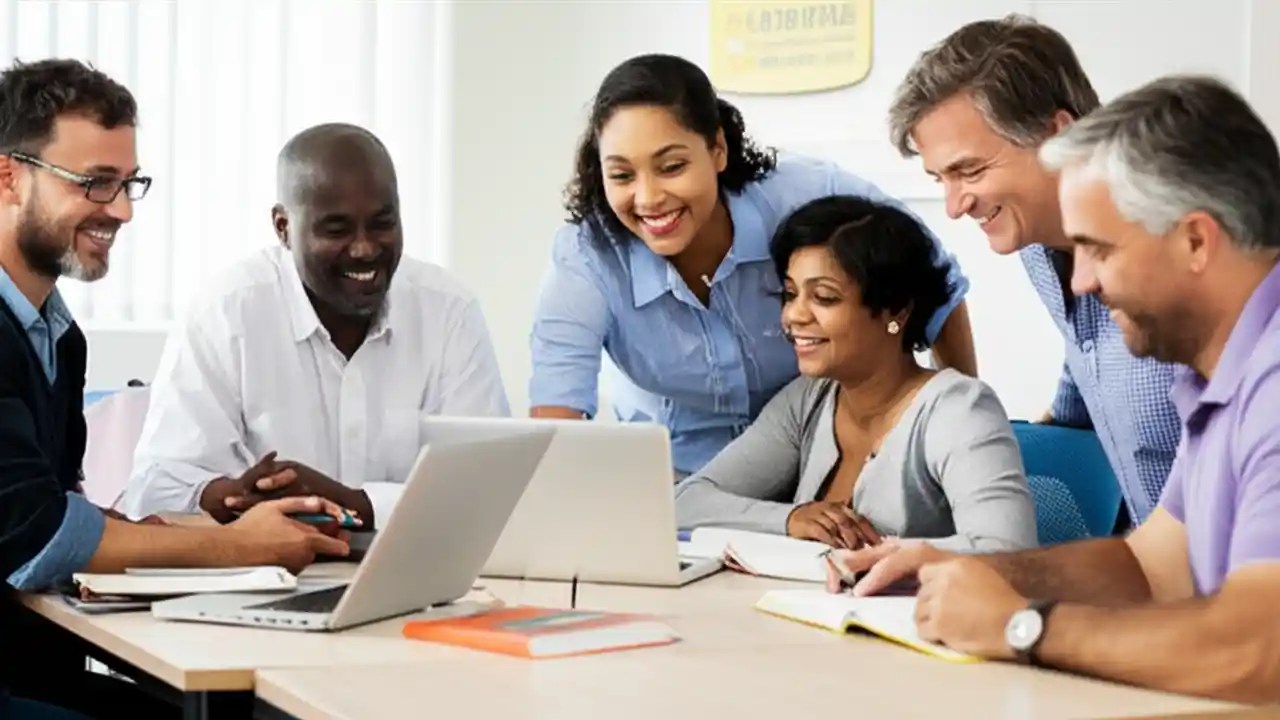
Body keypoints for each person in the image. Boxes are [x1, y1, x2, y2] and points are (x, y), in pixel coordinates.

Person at [827, 76, 1280, 703]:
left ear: (1196, 241)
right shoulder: (1219, 373)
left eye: (1099, 250)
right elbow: (1151, 568)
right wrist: (965, 570)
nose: (1083, 283)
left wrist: (1022, 626)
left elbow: (1259, 647)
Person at [0, 59, 351, 720]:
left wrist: (185, 525)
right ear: (9, 176)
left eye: (130, 184)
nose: (123, 211)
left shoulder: (58, 337)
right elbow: (35, 533)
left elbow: (48, 502)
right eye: (96, 184)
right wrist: (241, 547)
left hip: (35, 672)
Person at [529, 53, 976, 478]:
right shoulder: (587, 256)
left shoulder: (805, 194)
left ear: (718, 149)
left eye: (671, 166)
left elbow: (936, 282)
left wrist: (958, 427)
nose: (647, 198)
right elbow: (558, 413)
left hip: (826, 467)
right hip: (678, 487)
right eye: (622, 175)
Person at [121, 123, 509, 529]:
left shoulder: (448, 310)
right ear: (283, 228)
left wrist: (350, 502)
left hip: (417, 579)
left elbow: (491, 485)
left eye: (382, 223)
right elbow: (154, 488)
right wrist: (232, 495)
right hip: (264, 578)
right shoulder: (226, 312)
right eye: (336, 230)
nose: (364, 248)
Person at [887, 15, 1181, 529]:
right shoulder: (1036, 241)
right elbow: (1089, 353)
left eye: (970, 170)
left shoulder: (1182, 256)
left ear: (1058, 137)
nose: (955, 206)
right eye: (940, 179)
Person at [675, 196, 1036, 551]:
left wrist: (885, 556)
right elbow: (686, 503)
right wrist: (790, 520)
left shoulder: (959, 410)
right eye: (790, 293)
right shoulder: (809, 398)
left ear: (896, 311)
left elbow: (1008, 549)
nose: (794, 316)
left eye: (825, 298)